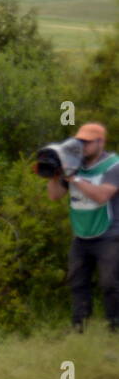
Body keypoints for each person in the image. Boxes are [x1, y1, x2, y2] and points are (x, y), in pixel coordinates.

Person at [46, 122, 119, 331]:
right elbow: (54, 196)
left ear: (100, 142)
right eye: (80, 142)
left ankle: (114, 326)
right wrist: (55, 174)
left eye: (87, 142)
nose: (82, 146)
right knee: (77, 282)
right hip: (81, 235)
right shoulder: (74, 164)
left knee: (110, 283)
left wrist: (74, 178)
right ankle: (80, 327)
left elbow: (102, 195)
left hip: (109, 234)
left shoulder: (114, 166)